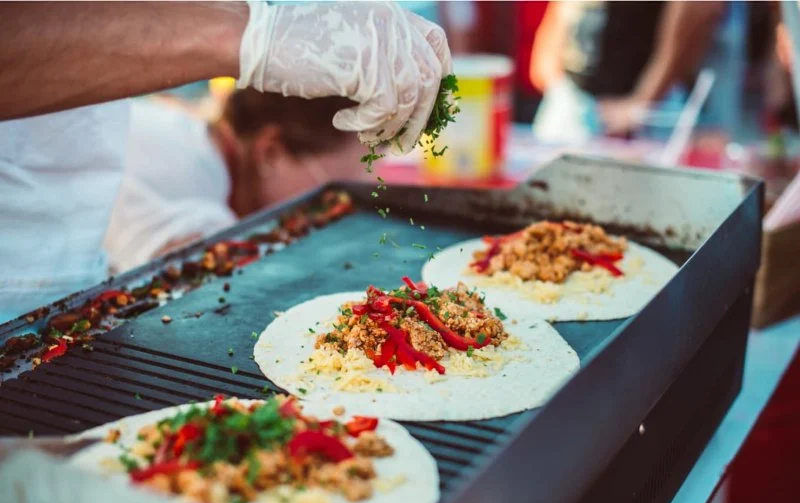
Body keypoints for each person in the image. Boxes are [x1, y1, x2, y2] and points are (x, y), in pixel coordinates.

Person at [0, 2, 452, 323]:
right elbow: (185, 258)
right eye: (337, 184)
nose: (336, 205)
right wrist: (253, 33)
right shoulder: (184, 164)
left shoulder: (199, 147)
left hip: (48, 295)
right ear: (271, 151)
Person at [104, 91, 365, 273]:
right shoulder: (187, 188)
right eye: (334, 192)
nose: (335, 211)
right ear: (270, 153)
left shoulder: (182, 134)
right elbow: (188, 272)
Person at [530, 1, 723, 143]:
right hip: (571, 99)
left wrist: (642, 101)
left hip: (645, 113)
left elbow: (701, 7)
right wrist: (550, 68)